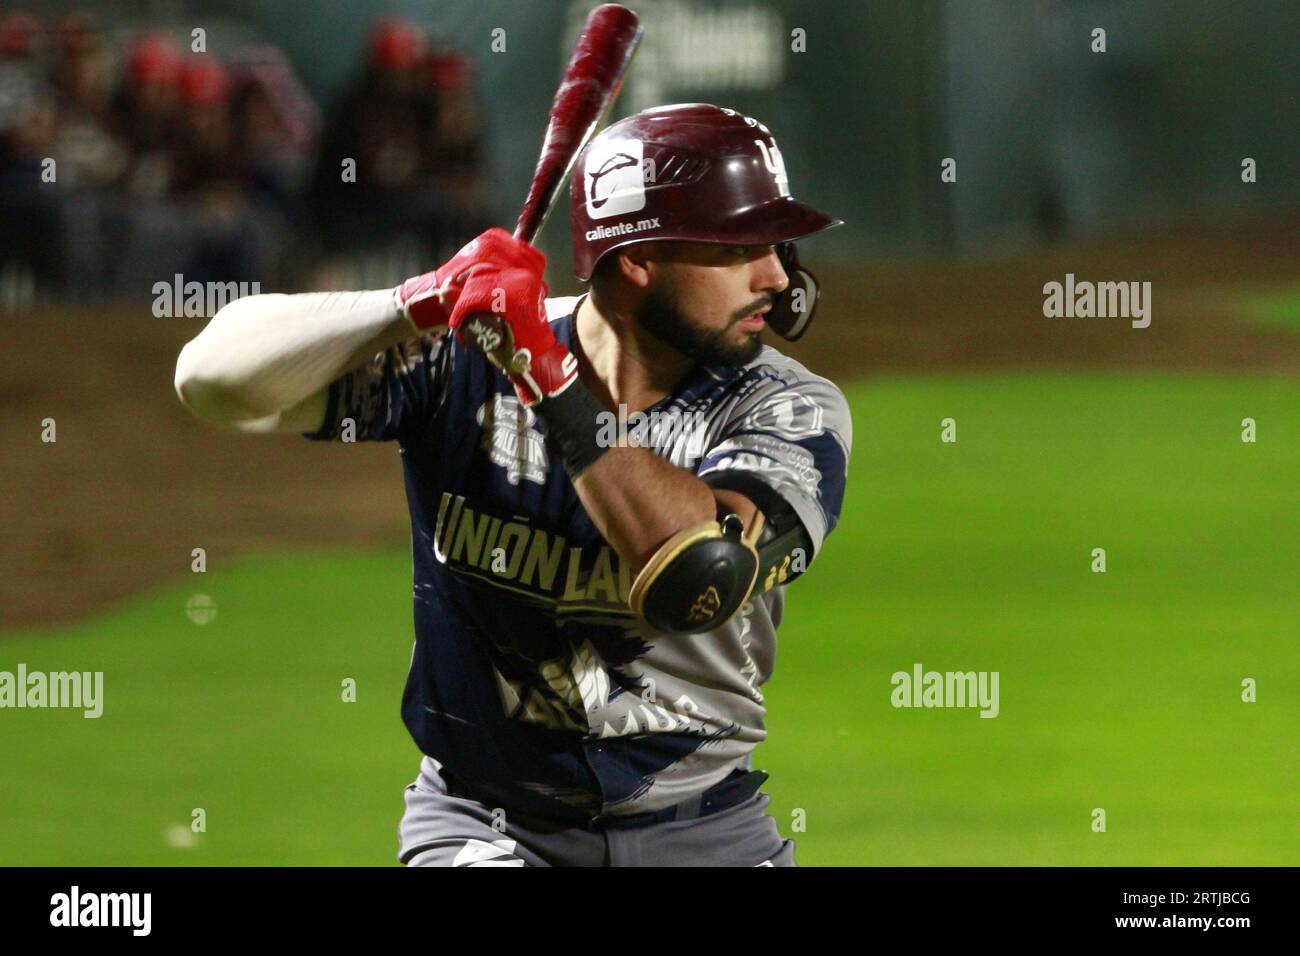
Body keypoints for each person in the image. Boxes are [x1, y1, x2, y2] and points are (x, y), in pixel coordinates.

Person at [174, 103, 851, 866]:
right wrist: (418, 300)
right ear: (638, 260)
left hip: (709, 831)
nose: (779, 276)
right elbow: (211, 381)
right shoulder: (462, 363)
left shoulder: (786, 407)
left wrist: (546, 374)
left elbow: (698, 572)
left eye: (778, 247)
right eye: (742, 249)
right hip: (486, 827)